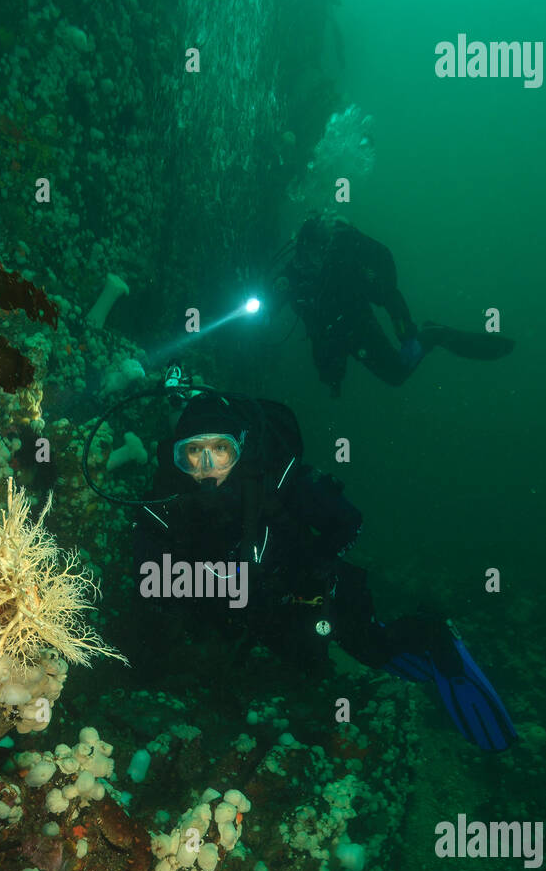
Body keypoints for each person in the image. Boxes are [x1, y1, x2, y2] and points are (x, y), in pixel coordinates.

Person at [130, 381, 517, 751]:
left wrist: (316, 564)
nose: (207, 465)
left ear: (242, 446)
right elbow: (150, 580)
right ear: (177, 456)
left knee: (366, 649)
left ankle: (432, 633)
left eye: (221, 449)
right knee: (284, 665)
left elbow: (350, 520)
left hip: (305, 596)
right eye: (193, 452)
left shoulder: (281, 482)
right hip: (250, 611)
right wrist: (192, 588)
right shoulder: (166, 500)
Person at [276, 214, 515, 398]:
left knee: (396, 374)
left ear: (326, 250)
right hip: (326, 337)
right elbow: (268, 302)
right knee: (329, 377)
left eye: (317, 253)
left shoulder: (344, 267)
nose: (311, 261)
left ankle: (433, 335)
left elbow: (388, 294)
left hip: (358, 330)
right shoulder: (292, 275)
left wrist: (406, 329)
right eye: (306, 254)